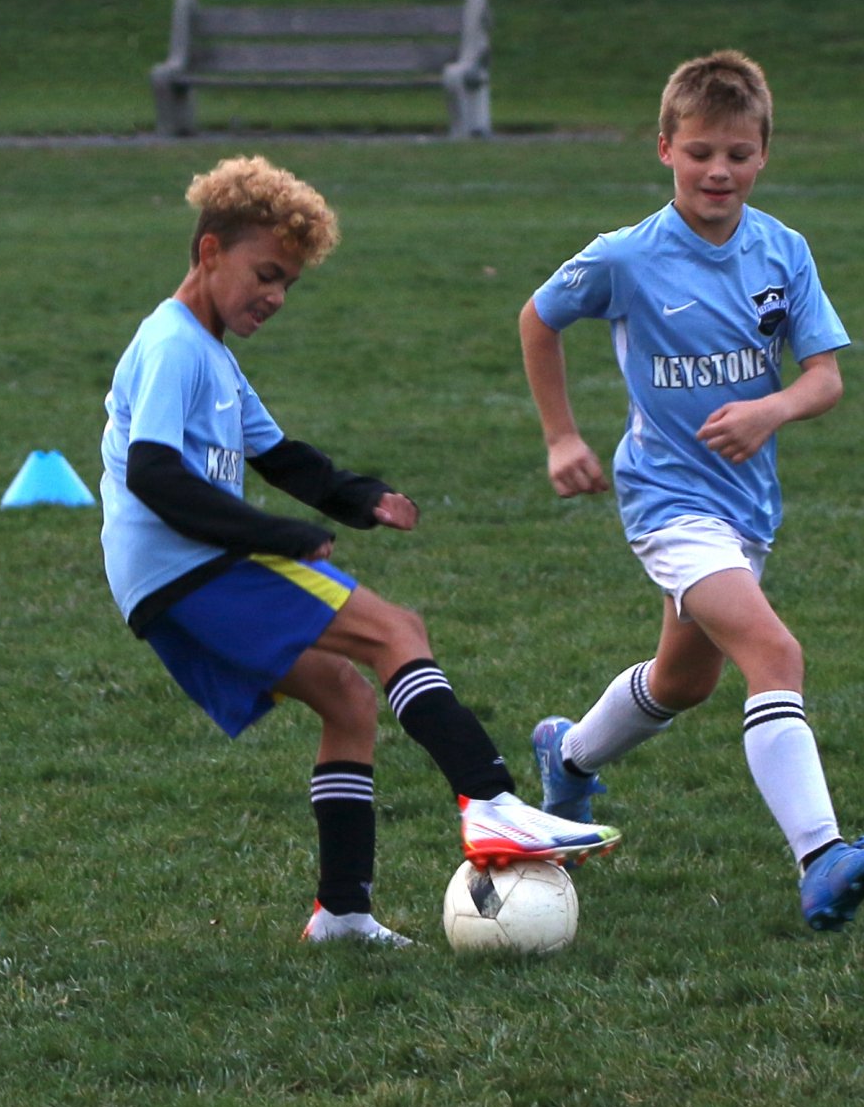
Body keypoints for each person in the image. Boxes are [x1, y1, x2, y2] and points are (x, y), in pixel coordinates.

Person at [100, 155, 618, 946]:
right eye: (265, 273)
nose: (274, 296)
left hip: (168, 578)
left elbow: (279, 455)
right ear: (209, 252)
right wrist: (276, 536)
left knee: (345, 699)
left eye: (289, 285)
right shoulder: (171, 344)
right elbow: (154, 475)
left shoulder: (214, 357)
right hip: (188, 566)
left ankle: (342, 912)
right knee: (395, 631)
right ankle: (490, 801)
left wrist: (358, 496)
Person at [517, 51, 864, 930]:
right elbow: (539, 318)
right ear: (664, 149)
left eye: (738, 152)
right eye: (700, 151)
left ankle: (571, 759)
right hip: (667, 502)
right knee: (774, 656)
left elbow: (824, 379)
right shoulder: (626, 257)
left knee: (682, 681)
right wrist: (561, 437)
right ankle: (822, 859)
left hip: (747, 507)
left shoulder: (784, 251)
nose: (718, 170)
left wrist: (768, 410)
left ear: (763, 154)